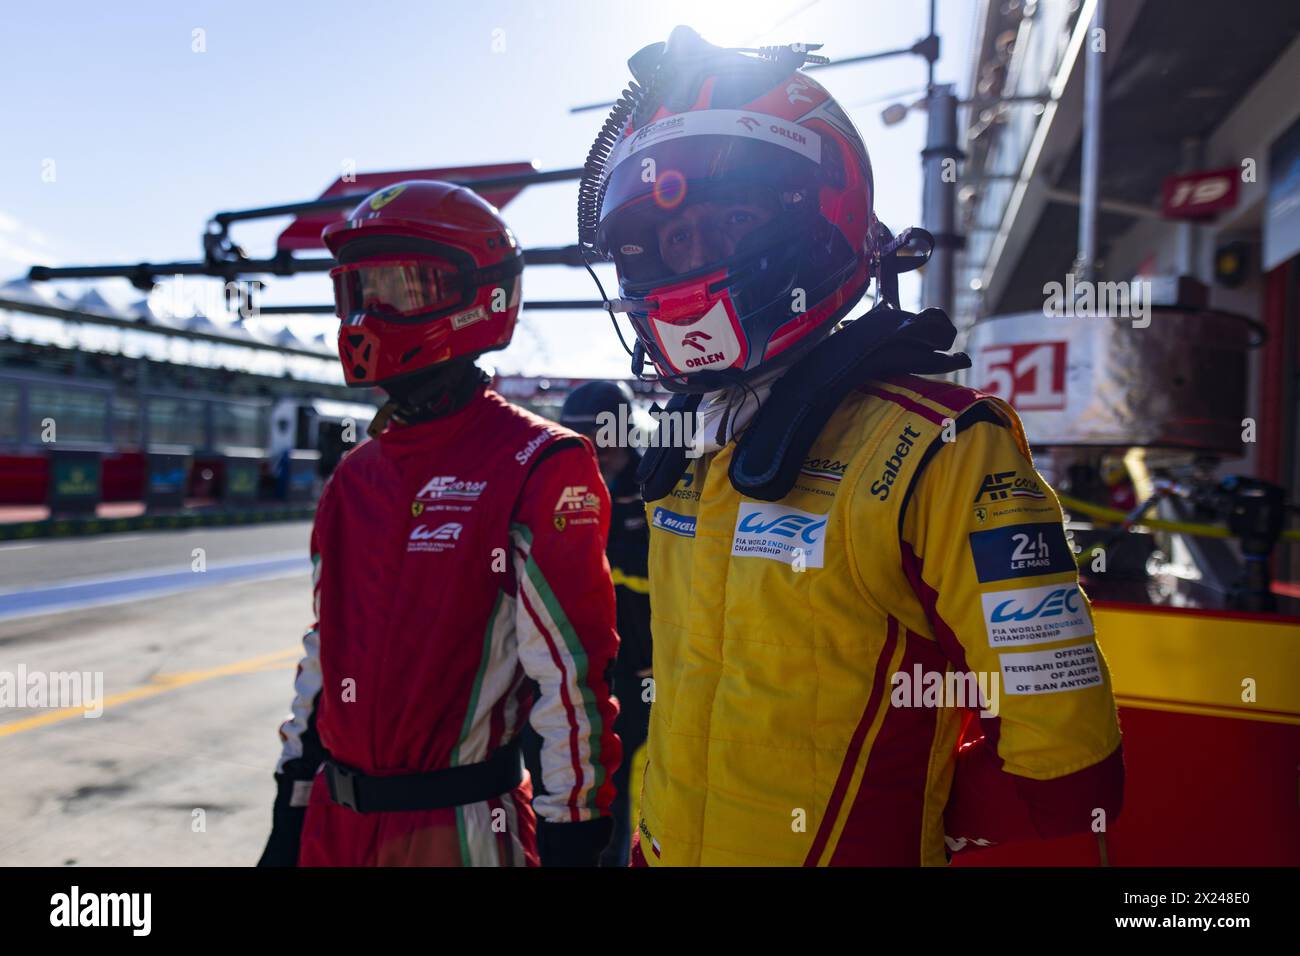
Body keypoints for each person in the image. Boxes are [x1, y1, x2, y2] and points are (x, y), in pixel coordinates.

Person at [577, 27, 1124, 866]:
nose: (694, 259)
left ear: (814, 214)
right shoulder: (692, 446)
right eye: (674, 240)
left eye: (729, 220)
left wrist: (910, 819)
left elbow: (1070, 767)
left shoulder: (941, 444)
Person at [258, 180, 621, 867]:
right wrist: (290, 801)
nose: (373, 311)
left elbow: (571, 679)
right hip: (332, 825)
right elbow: (321, 650)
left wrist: (574, 833)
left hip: (462, 828)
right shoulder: (353, 477)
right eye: (362, 289)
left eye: (405, 286)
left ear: (481, 296)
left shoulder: (538, 461)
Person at [557, 381, 653, 866]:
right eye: (580, 438)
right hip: (573, 675)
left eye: (602, 437)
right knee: (574, 792)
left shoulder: (659, 485)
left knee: (628, 792)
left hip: (642, 679)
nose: (594, 450)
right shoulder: (560, 490)